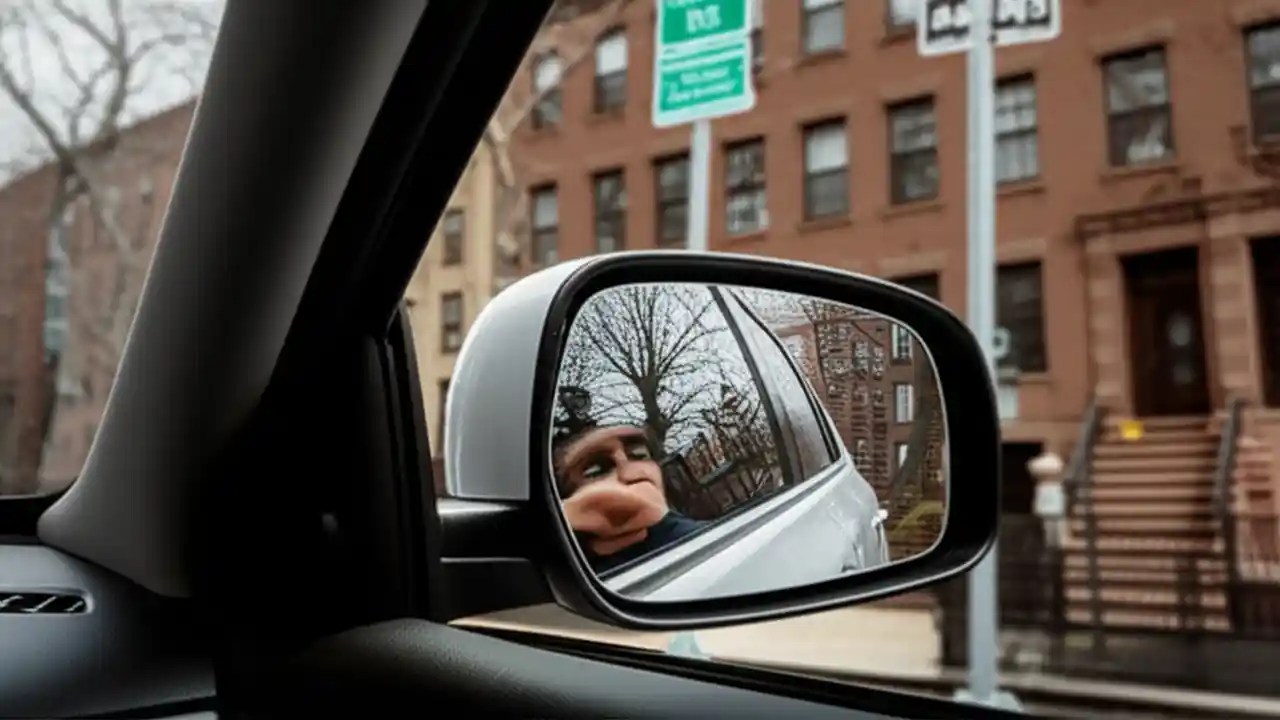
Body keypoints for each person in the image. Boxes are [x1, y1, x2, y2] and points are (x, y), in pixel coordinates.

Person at [552, 421, 707, 574]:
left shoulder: (691, 536)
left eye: (640, 455)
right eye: (596, 471)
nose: (632, 473)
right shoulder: (573, 574)